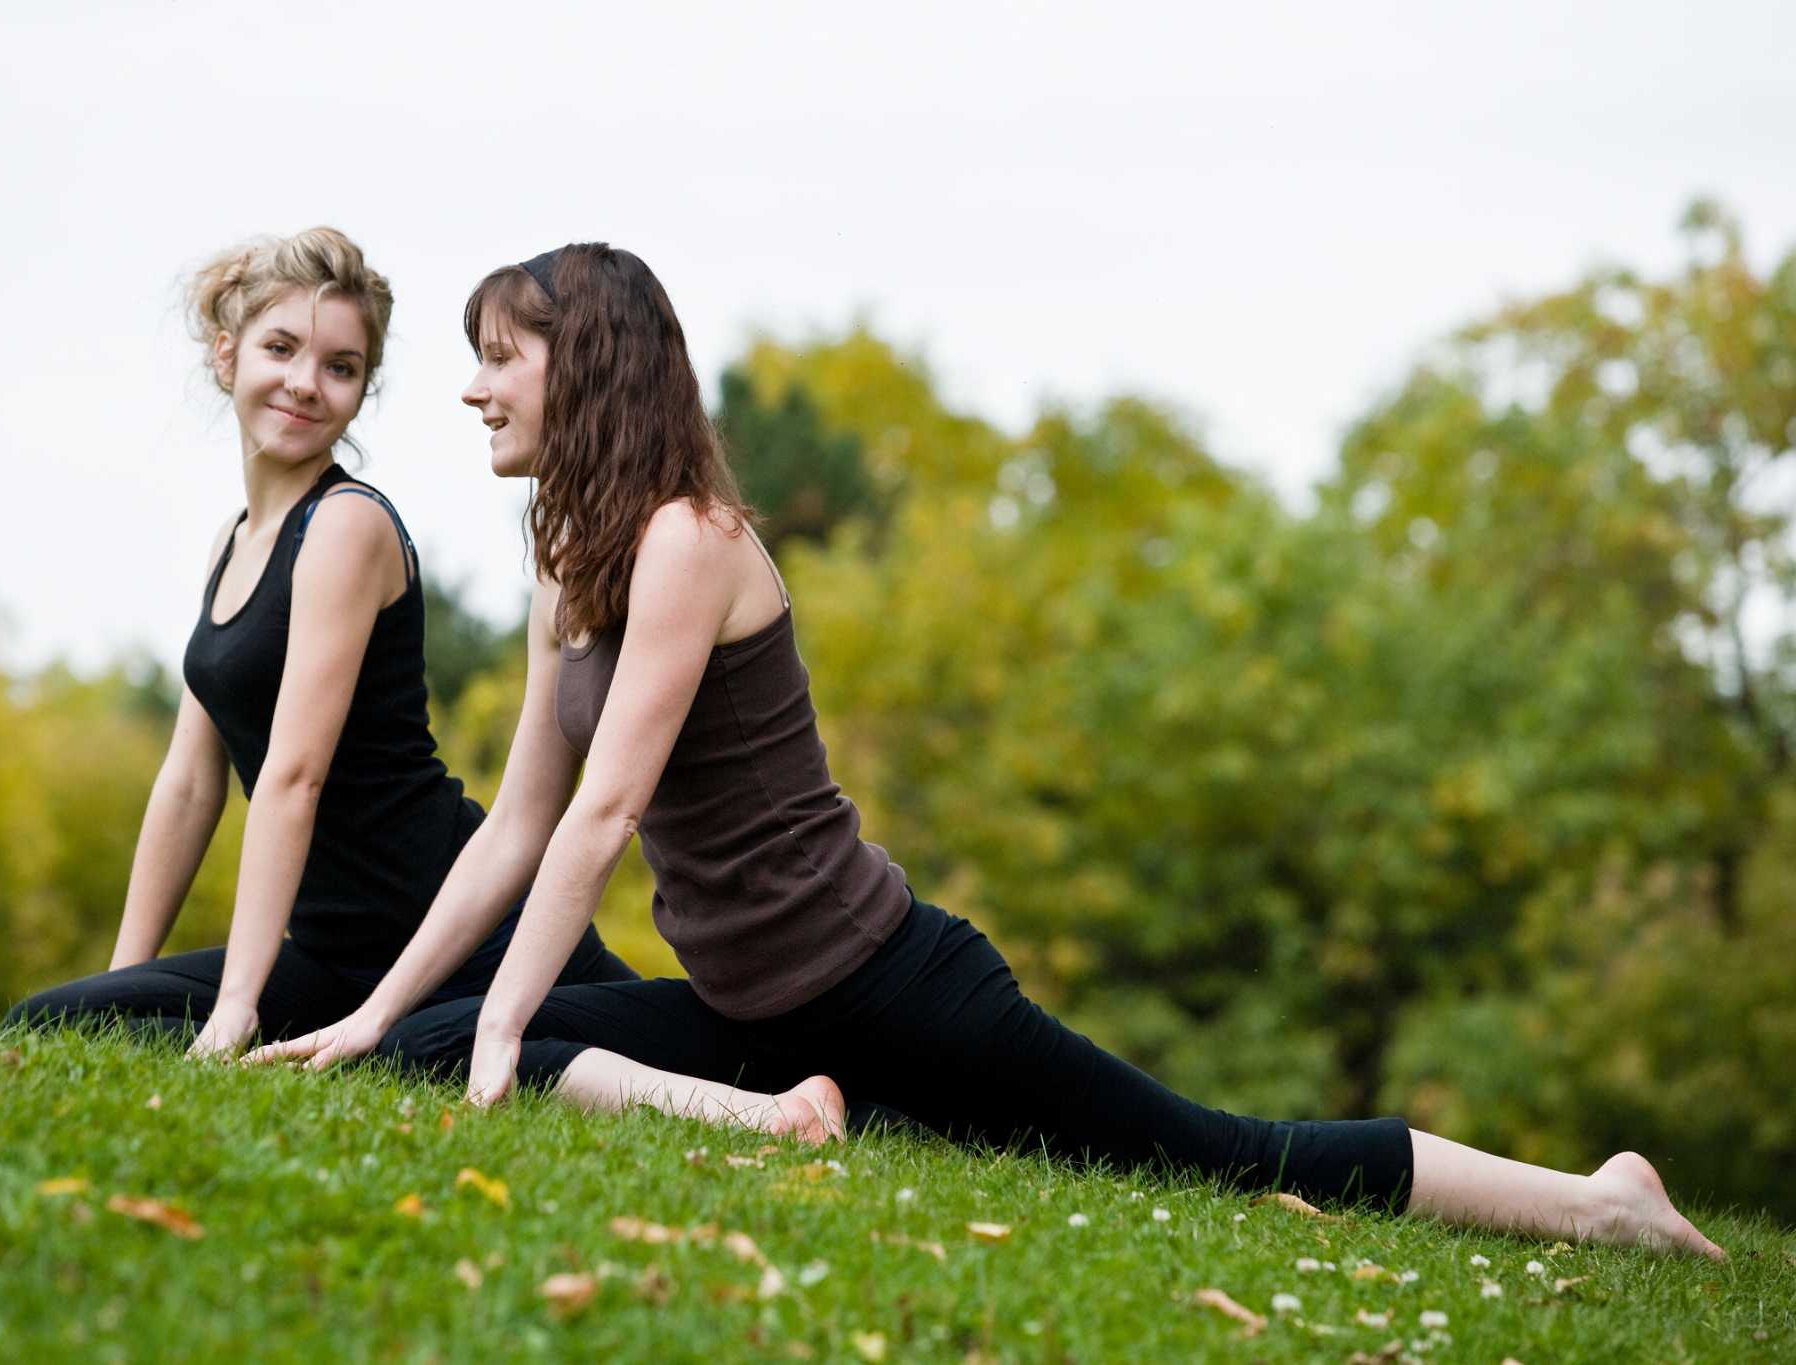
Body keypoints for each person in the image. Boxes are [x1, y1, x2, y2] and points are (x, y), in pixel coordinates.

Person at [252, 243, 1722, 1257]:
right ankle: (782, 1118)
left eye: (499, 359)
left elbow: (603, 813)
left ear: (585, 367)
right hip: (760, 1016)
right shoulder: (565, 559)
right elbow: (521, 822)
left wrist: (508, 1034)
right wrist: (382, 1015)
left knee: (1218, 1154)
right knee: (440, 1047)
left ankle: (1599, 1203)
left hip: (894, 987)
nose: (474, 389)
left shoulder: (689, 539)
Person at [6, 229, 634, 1054]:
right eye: (281, 349)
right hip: (337, 956)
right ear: (226, 356)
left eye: (340, 366)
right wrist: (123, 978)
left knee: (467, 1056)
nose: (305, 383)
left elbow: (294, 777)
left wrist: (238, 1002)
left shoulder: (346, 527)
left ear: (360, 391)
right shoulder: (234, 542)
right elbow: (190, 783)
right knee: (61, 1020)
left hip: (460, 938)